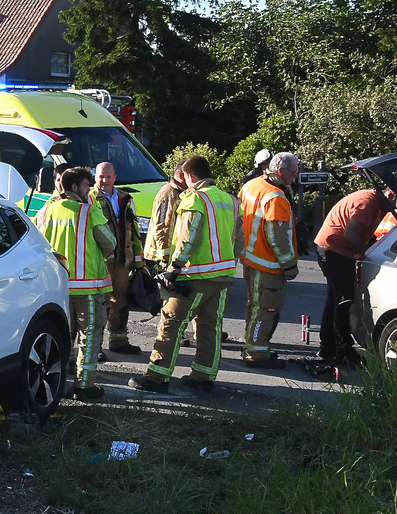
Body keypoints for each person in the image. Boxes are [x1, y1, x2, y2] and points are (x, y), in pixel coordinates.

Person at [130, 155, 243, 394]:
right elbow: (239, 238)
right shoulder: (230, 200)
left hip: (195, 275)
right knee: (210, 325)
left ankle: (156, 377)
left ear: (190, 176)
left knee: (171, 321)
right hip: (223, 275)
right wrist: (229, 262)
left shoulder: (195, 199)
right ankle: (203, 377)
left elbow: (187, 238)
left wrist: (173, 269)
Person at [36, 166, 116, 400]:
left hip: (55, 288)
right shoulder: (88, 212)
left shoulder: (45, 211)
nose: (89, 190)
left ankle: (55, 384)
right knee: (89, 336)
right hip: (87, 288)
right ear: (74, 187)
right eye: (86, 185)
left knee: (60, 337)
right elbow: (110, 243)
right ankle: (84, 386)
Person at [314, 187, 391, 368]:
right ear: (389, 195)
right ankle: (343, 353)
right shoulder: (367, 203)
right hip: (335, 252)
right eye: (394, 205)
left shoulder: (372, 200)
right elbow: (351, 234)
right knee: (344, 302)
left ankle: (328, 349)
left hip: (330, 249)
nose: (393, 210)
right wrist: (370, 257)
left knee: (334, 300)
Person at [238, 151, 300, 369]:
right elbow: (277, 237)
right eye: (293, 172)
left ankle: (253, 346)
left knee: (255, 306)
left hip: (250, 258)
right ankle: (256, 353)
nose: (295, 176)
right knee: (266, 309)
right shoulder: (276, 197)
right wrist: (289, 266)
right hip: (268, 265)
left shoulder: (252, 185)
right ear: (280, 171)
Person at [91, 162, 144, 354]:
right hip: (102, 261)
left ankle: (119, 341)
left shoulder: (125, 198)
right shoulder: (90, 198)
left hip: (123, 260)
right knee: (101, 304)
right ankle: (95, 347)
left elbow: (134, 230)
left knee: (121, 301)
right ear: (95, 177)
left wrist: (139, 260)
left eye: (108, 177)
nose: (104, 181)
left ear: (115, 177)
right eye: (100, 176)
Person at [142, 167, 187, 272]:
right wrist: (165, 259)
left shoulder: (179, 193)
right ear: (181, 176)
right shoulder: (168, 194)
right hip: (158, 260)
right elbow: (162, 227)